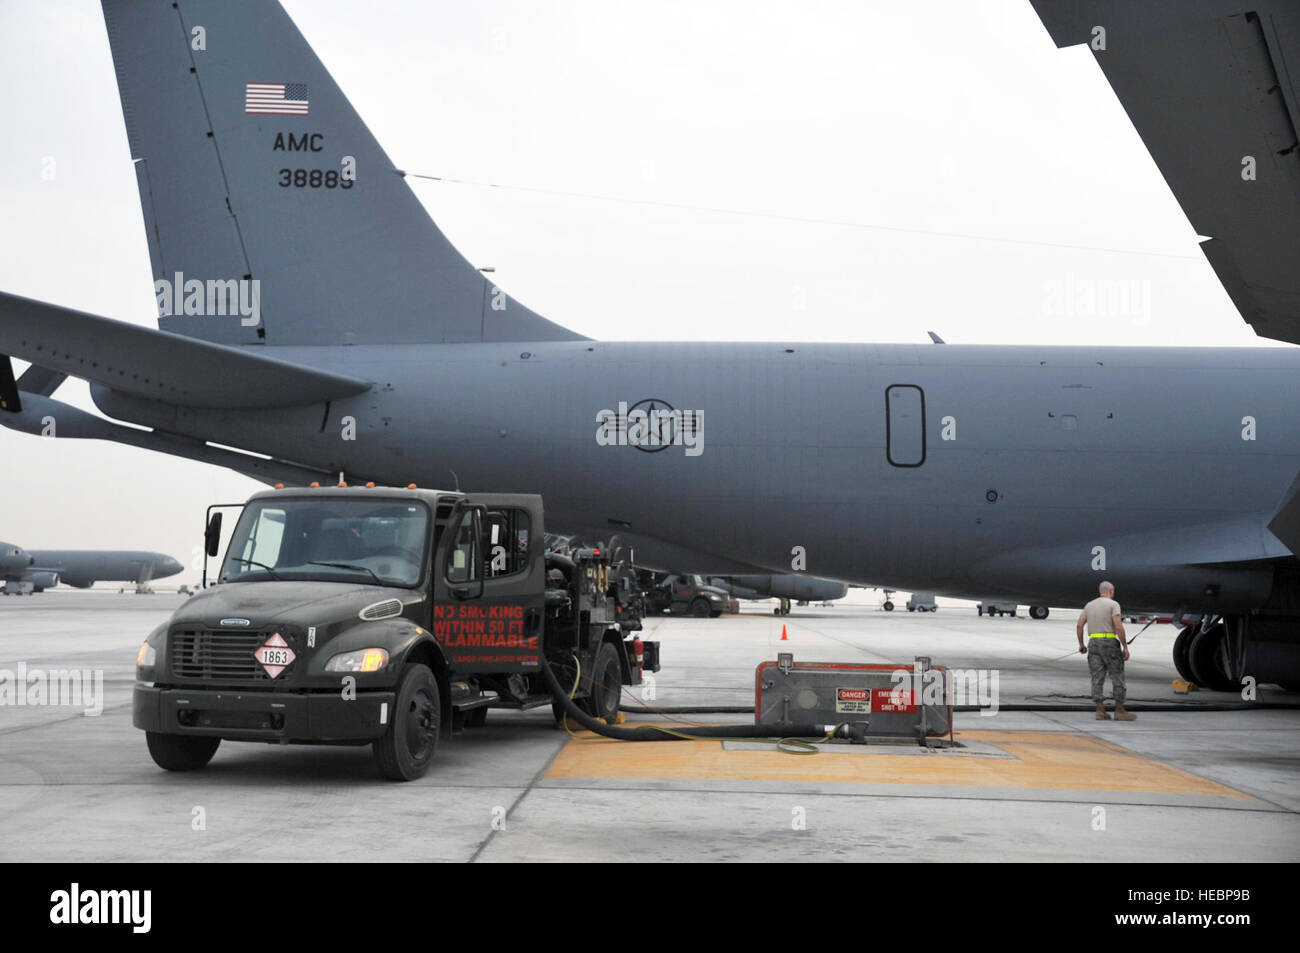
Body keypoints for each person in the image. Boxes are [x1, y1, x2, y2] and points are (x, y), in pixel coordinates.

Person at [1076, 581, 1135, 721]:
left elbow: (1079, 625)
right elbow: (1119, 627)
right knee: (1117, 676)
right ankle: (1120, 710)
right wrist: (1125, 646)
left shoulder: (1089, 605)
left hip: (1094, 644)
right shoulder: (1113, 605)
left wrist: (1081, 644)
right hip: (1109, 643)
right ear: (1111, 591)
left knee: (1097, 678)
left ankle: (1100, 710)